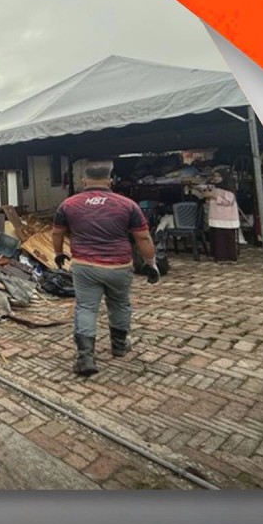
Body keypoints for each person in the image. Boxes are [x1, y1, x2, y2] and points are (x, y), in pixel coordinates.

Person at [52, 160, 160, 377]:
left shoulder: (69, 205)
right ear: (110, 180)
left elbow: (57, 233)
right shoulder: (127, 205)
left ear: (84, 180)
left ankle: (85, 357)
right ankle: (119, 346)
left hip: (85, 266)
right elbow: (143, 237)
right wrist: (151, 263)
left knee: (86, 307)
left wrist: (58, 253)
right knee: (119, 304)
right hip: (119, 266)